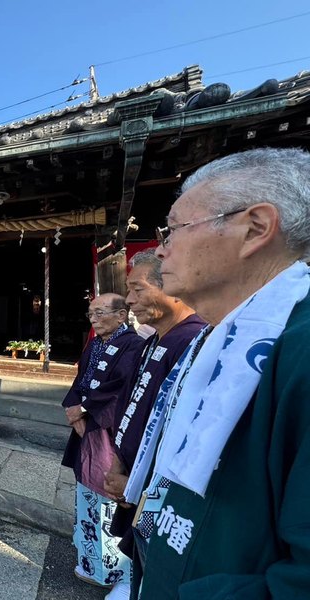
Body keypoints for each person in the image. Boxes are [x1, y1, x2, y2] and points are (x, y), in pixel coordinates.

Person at [123, 147, 310, 599]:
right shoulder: (214, 337)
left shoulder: (300, 349)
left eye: (174, 229)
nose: (161, 248)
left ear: (255, 228)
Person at [99, 251, 205, 600]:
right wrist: (117, 464)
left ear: (173, 286)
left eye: (138, 289)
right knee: (142, 563)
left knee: (157, 569)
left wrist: (139, 485)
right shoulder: (154, 340)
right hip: (132, 479)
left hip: (156, 491)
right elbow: (132, 406)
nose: (129, 300)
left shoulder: (194, 341)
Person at [61, 293, 146, 590]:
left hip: (109, 435)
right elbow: (80, 380)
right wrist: (75, 413)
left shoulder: (134, 346)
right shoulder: (96, 343)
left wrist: (84, 411)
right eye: (90, 313)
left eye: (99, 312)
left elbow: (122, 389)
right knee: (87, 494)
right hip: (86, 430)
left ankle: (116, 573)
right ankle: (90, 562)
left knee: (107, 496)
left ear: (122, 315)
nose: (93, 318)